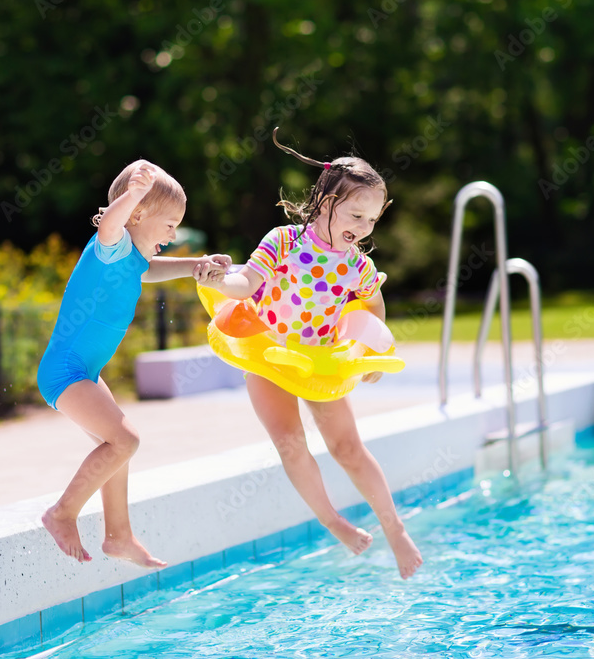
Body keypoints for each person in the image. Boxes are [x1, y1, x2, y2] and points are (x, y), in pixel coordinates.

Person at [203, 130, 423, 579]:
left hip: (320, 362)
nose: (364, 227)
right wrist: (220, 282)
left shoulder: (358, 265)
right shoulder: (283, 241)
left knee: (347, 447)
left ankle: (394, 528)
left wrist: (371, 349)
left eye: (372, 219)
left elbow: (372, 307)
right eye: (356, 215)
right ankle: (332, 520)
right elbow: (246, 284)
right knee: (290, 443)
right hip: (267, 352)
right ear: (325, 204)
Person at [38, 160, 230, 566]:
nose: (173, 235)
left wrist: (196, 266)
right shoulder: (111, 246)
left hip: (84, 372)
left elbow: (149, 270)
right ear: (137, 214)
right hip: (66, 372)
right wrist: (133, 194)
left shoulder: (131, 260)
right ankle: (62, 513)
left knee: (116, 447)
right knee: (125, 441)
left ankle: (119, 536)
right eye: (170, 225)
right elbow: (110, 225)